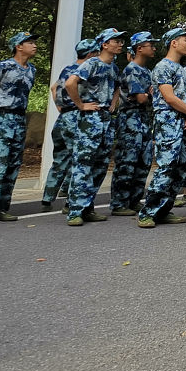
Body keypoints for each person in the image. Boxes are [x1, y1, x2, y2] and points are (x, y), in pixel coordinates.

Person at [137, 28, 186, 227]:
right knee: (167, 166)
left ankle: (164, 209)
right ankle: (148, 212)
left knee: (180, 167)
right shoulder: (163, 67)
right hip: (168, 121)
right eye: (185, 40)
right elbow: (169, 97)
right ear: (173, 43)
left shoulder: (181, 69)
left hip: (183, 121)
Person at [65, 28, 127, 226]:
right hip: (90, 120)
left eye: (120, 40)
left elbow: (117, 86)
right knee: (84, 164)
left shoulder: (113, 67)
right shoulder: (92, 63)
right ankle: (75, 210)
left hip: (106, 120)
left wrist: (113, 103)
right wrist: (81, 105)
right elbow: (70, 83)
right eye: (115, 40)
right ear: (104, 44)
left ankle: (88, 207)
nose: (119, 43)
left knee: (100, 166)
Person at [0, 31, 38, 224]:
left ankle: (2, 208)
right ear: (18, 46)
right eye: (29, 42)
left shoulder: (31, 70)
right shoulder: (3, 66)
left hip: (19, 120)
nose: (34, 46)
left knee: (12, 165)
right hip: (0, 119)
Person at [43, 37, 97, 211]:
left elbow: (54, 87)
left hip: (63, 118)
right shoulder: (85, 70)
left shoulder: (67, 68)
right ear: (90, 54)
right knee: (79, 158)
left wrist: (59, 105)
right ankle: (70, 200)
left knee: (60, 158)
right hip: (76, 116)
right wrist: (80, 105)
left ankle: (48, 196)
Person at [109, 32, 157, 216]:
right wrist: (150, 95)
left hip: (144, 119)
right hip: (130, 119)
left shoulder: (146, 71)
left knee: (143, 161)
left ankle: (134, 200)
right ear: (139, 49)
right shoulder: (132, 70)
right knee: (127, 162)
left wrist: (149, 96)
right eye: (150, 45)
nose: (153, 48)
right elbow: (141, 98)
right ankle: (119, 202)